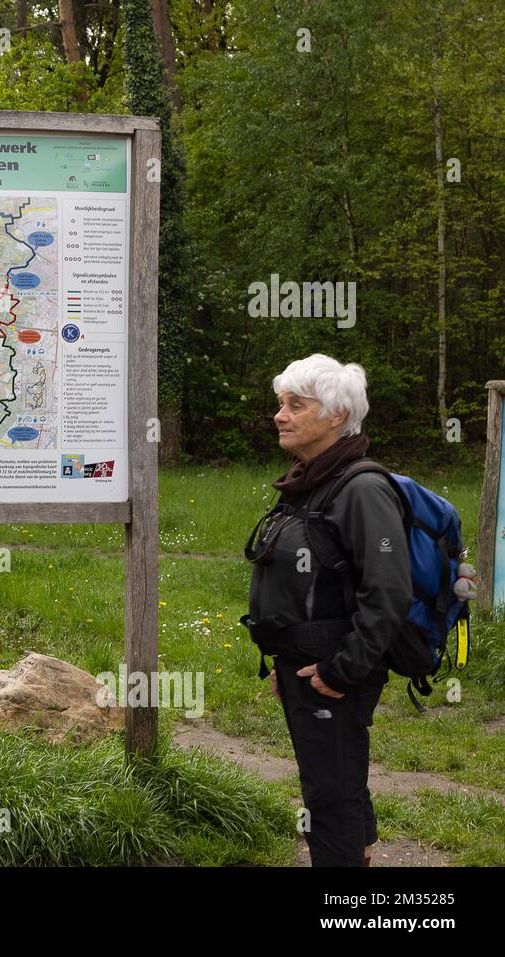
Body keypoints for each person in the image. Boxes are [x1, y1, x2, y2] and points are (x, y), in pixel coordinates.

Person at [242, 355, 411, 867]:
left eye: (297, 404)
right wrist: (284, 662)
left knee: (328, 796)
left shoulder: (360, 488)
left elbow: (389, 592)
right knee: (337, 780)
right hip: (306, 666)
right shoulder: (310, 481)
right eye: (280, 403)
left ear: (337, 416)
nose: (280, 414)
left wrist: (343, 670)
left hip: (332, 671)